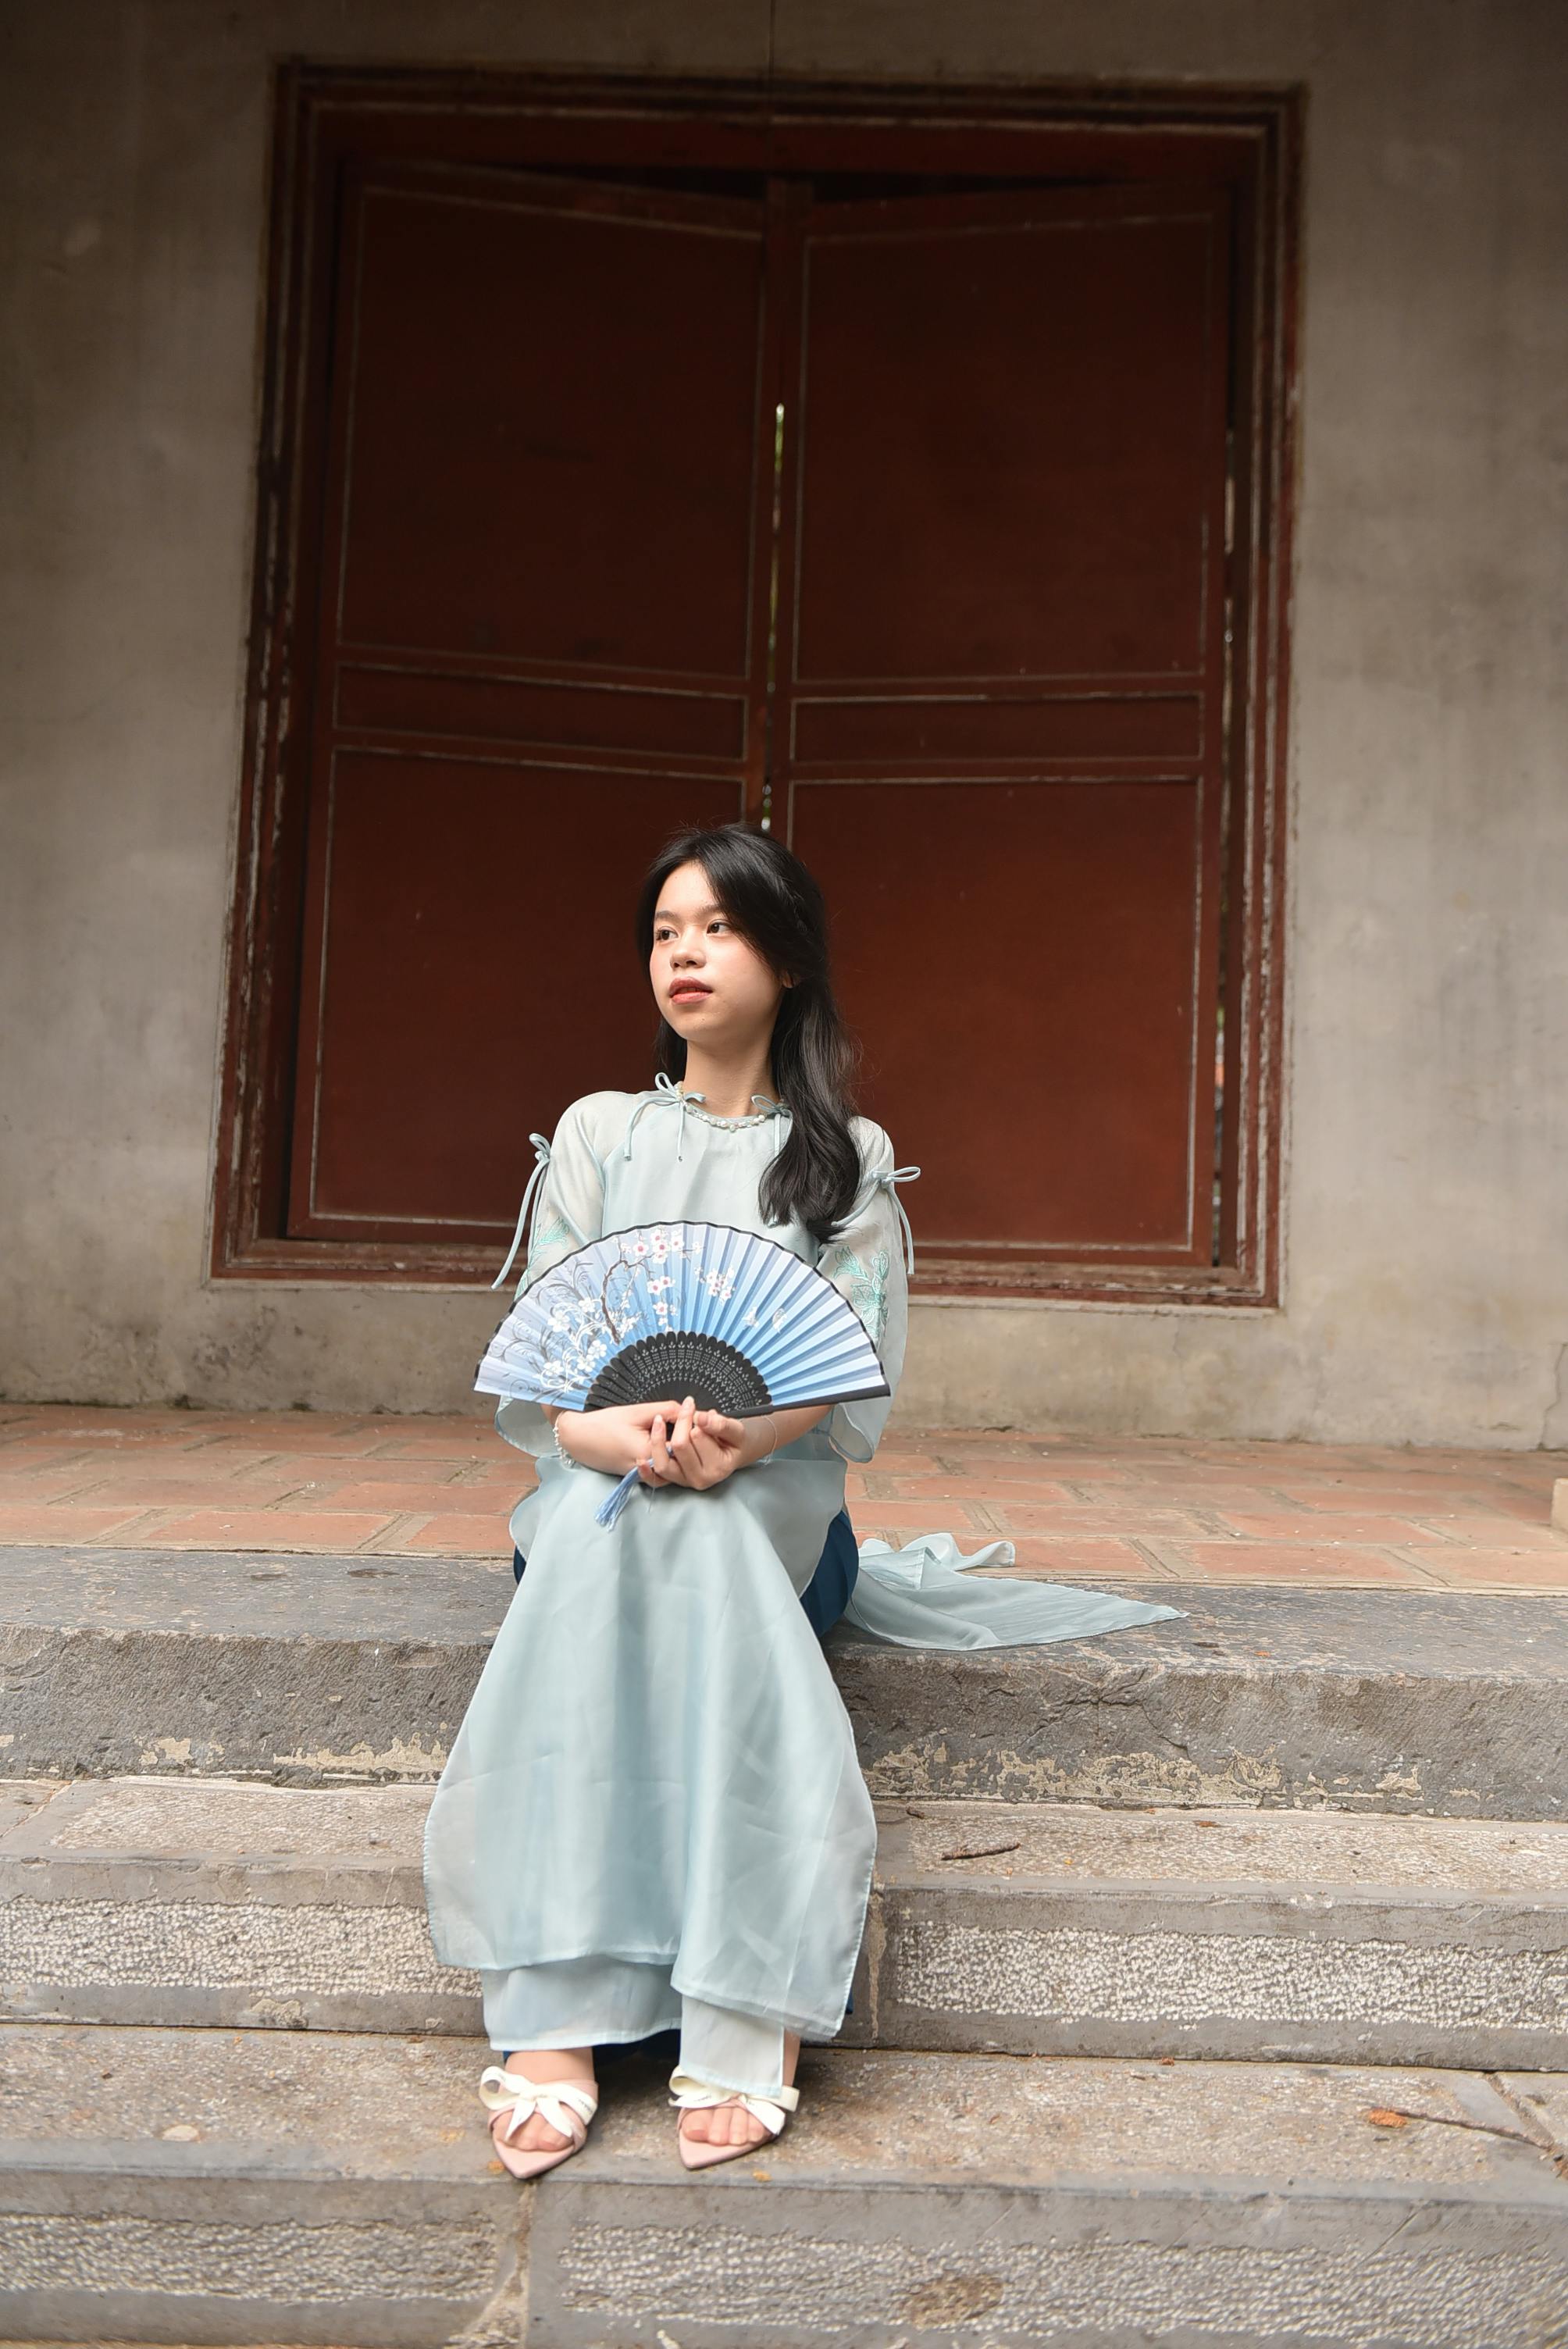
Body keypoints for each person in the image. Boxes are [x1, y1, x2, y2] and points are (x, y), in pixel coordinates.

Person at [422, 820, 1182, 2180]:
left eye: (717, 927)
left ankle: (745, 1992)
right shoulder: (597, 1135)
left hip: (775, 1512)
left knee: (705, 1528)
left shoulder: (845, 1160)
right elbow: (547, 1385)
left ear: (788, 955)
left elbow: (840, 1385)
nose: (685, 955)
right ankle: (557, 2001)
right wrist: (626, 1440)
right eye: (665, 931)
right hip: (602, 1493)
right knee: (621, 1538)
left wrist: (730, 1442)